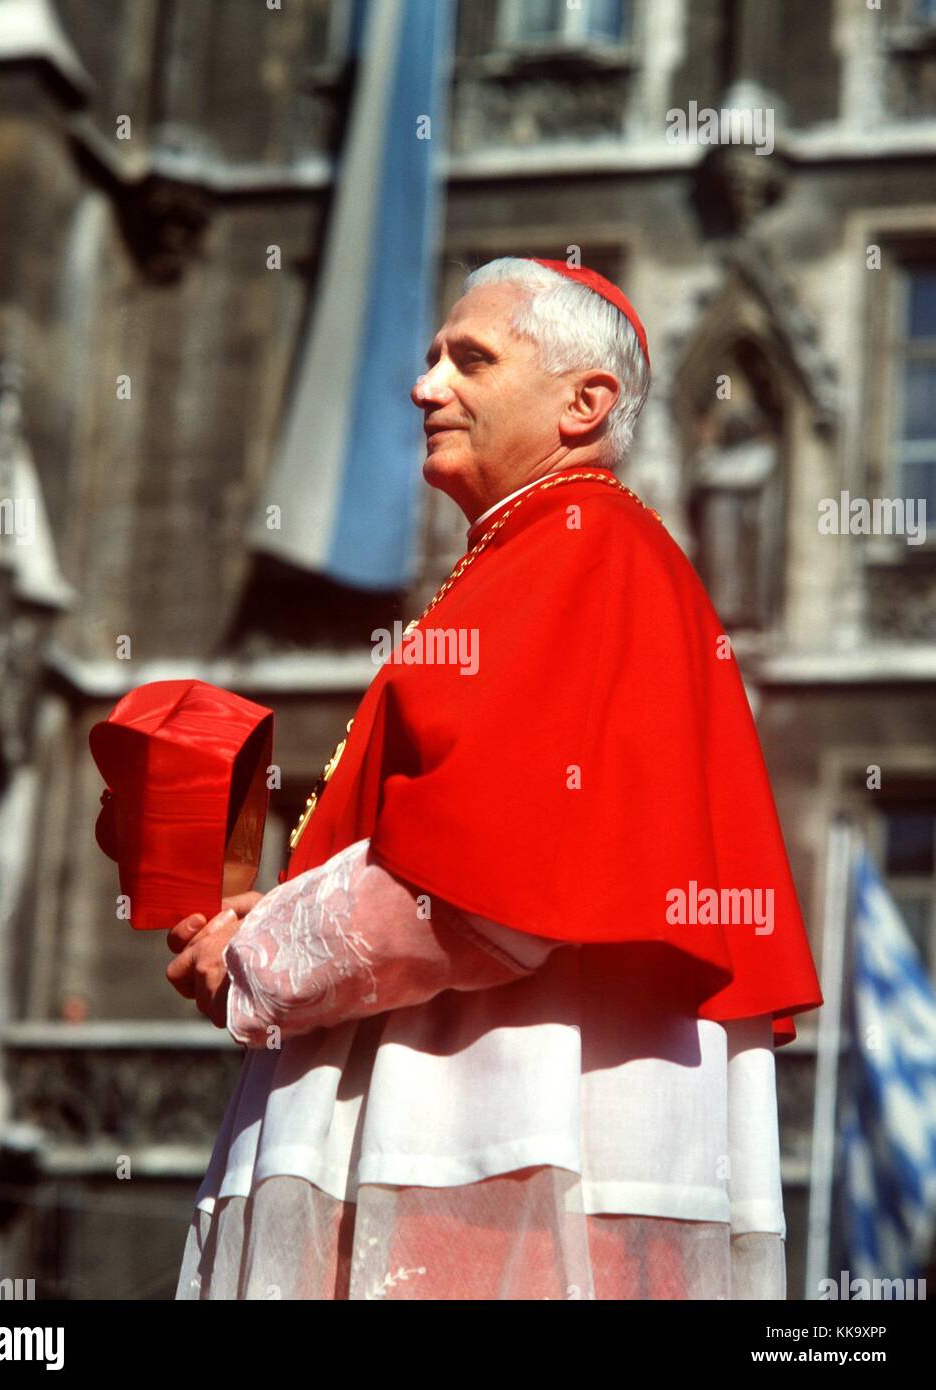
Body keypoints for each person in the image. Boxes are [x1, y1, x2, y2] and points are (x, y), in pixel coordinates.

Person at [167, 256, 823, 1300]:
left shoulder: (582, 547)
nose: (426, 387)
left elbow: (483, 891)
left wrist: (257, 956)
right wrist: (274, 915)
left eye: (469, 358)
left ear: (584, 401)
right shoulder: (537, 552)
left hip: (484, 1132)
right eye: (432, 361)